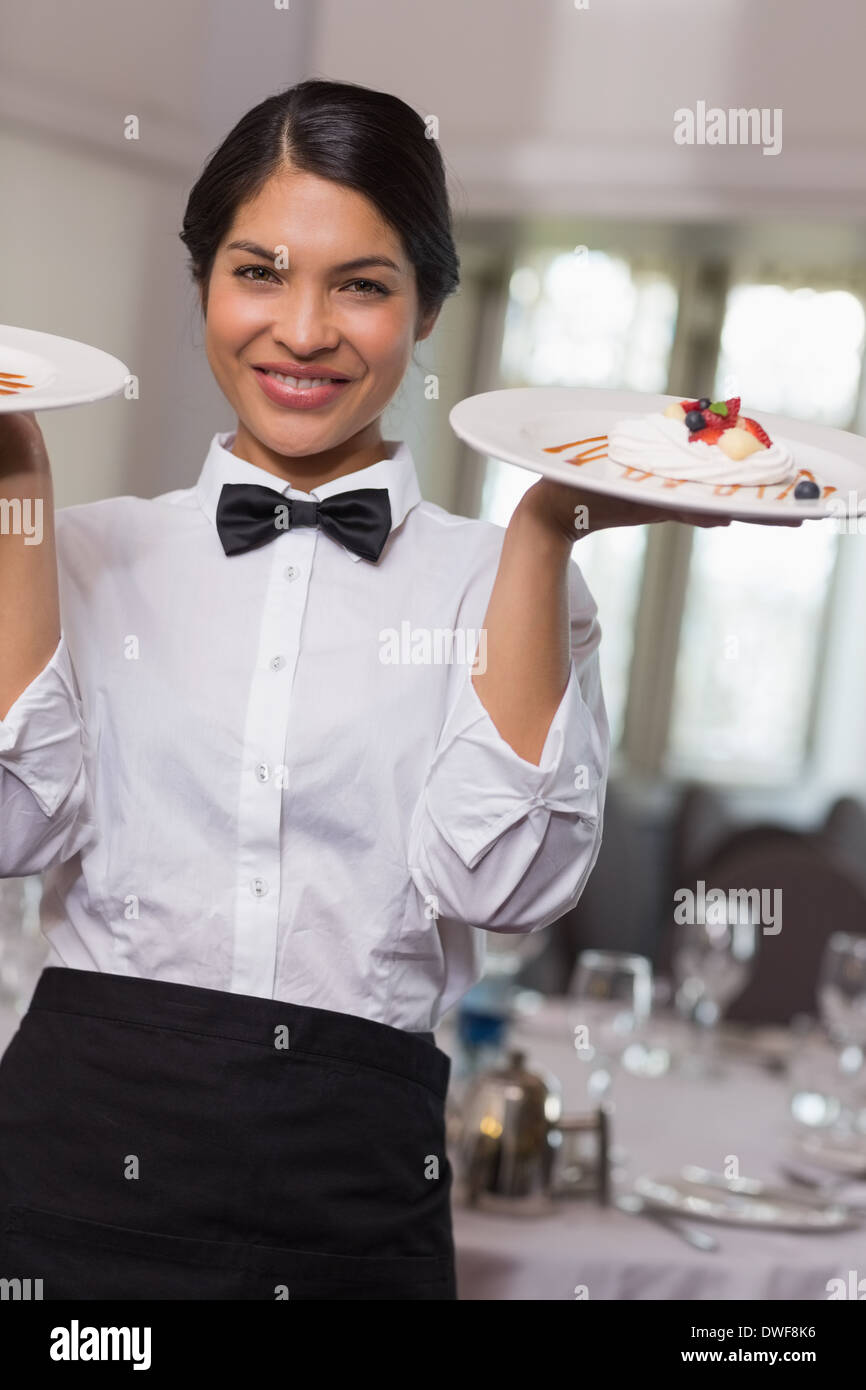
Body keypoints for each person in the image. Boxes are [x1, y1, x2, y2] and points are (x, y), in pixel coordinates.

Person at [0, 77, 752, 1302]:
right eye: (259, 271)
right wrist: (16, 477)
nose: (303, 329)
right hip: (64, 1178)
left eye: (361, 284)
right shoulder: (80, 552)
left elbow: (501, 890)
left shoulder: (497, 582)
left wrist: (545, 527)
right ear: (204, 282)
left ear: (429, 307)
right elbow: (11, 829)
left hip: (350, 1191)